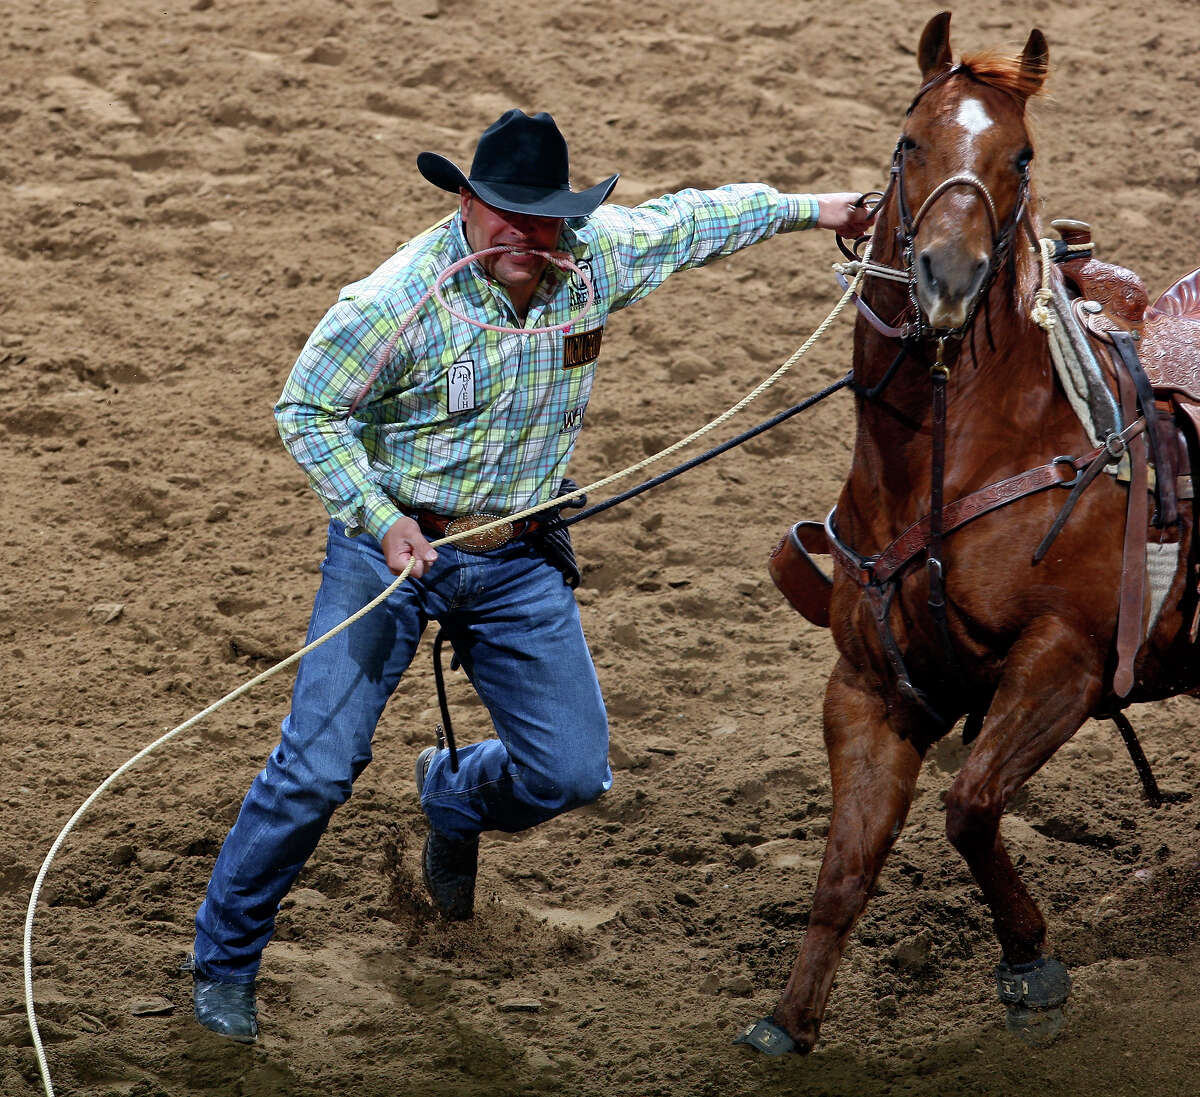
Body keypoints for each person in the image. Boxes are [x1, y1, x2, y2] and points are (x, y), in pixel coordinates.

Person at [187, 109, 873, 1041]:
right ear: (466, 205)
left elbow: (702, 219)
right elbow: (308, 409)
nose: (522, 237)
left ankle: (451, 793)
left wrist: (825, 209)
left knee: (573, 772)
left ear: (566, 219)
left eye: (541, 219)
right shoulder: (393, 303)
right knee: (314, 771)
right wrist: (383, 520)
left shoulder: (594, 259)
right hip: (392, 552)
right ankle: (224, 959)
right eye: (503, 215)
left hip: (514, 558)